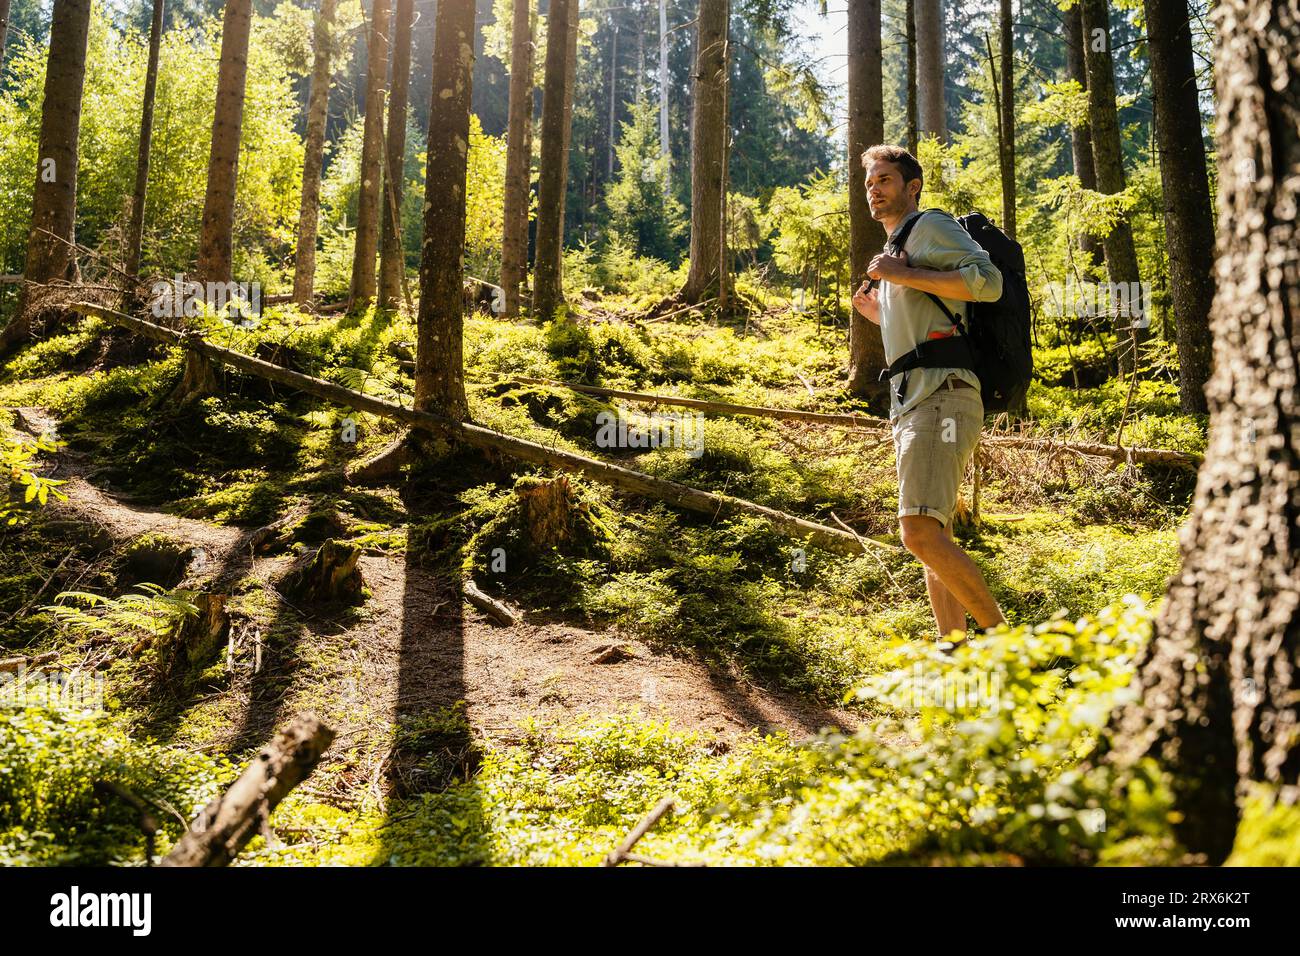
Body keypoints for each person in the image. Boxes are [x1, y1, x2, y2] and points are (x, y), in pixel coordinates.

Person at [851, 144, 1007, 640]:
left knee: (917, 532)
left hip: (943, 395)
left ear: (911, 186)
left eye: (886, 181)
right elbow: (930, 320)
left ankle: (1004, 643)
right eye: (870, 183)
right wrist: (880, 312)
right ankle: (954, 647)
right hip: (914, 399)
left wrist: (902, 275)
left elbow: (988, 283)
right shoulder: (897, 248)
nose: (875, 191)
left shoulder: (928, 227)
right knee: (933, 533)